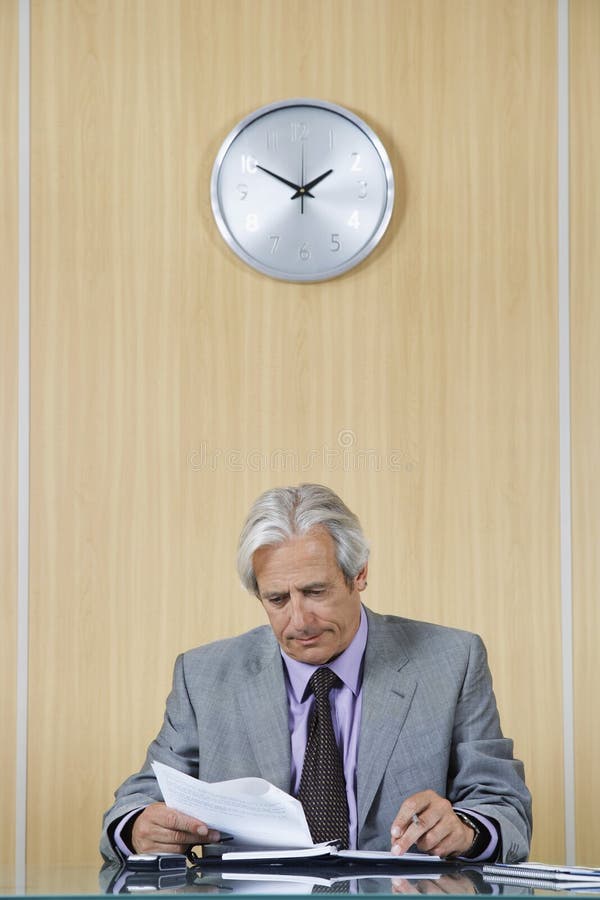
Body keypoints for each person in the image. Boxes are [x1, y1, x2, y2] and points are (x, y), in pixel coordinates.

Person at [101, 484, 532, 863]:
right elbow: (136, 803)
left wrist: (466, 829)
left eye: (315, 591)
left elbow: (504, 808)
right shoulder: (205, 676)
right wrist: (140, 827)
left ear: (358, 574)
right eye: (277, 599)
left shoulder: (451, 661)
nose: (299, 620)